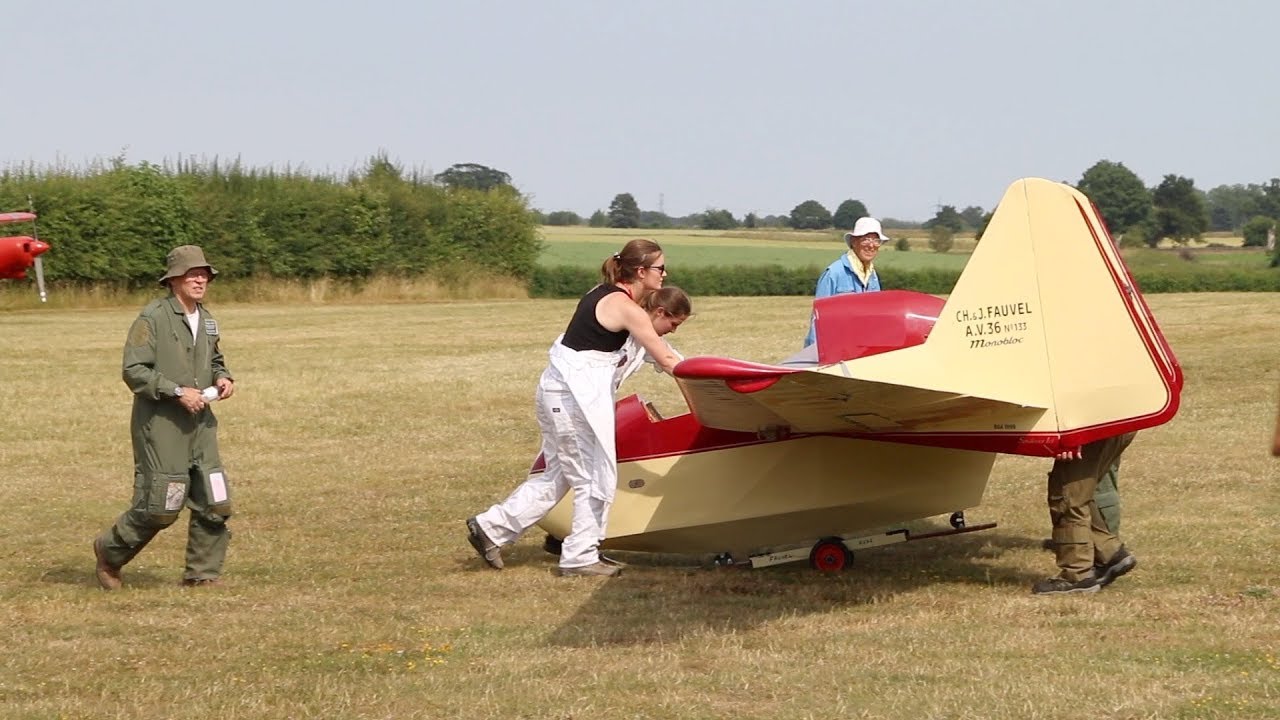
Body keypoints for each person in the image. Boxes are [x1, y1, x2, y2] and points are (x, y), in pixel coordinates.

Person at [466, 240, 685, 577]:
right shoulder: (623, 306)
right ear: (641, 272)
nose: (664, 274)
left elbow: (662, 352)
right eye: (660, 268)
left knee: (559, 474)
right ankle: (580, 557)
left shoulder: (605, 294)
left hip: (561, 394)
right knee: (593, 476)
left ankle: (490, 528)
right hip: (571, 400)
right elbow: (667, 359)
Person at [92, 245, 237, 590]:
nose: (200, 280)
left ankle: (202, 574)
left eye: (204, 274)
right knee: (161, 505)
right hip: (161, 425)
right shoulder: (152, 318)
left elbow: (215, 359)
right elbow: (134, 370)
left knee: (216, 501)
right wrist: (176, 391)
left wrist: (223, 377)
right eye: (192, 274)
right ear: (173, 280)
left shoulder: (208, 319)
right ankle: (109, 552)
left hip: (202, 424)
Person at [1032, 433, 1138, 595]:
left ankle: (1077, 576)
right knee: (1081, 493)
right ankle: (1109, 553)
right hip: (1114, 427)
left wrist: (1070, 439)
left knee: (1068, 495)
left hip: (1088, 430)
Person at [803, 216, 889, 347]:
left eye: (876, 240)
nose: (871, 245)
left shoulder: (873, 276)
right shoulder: (834, 273)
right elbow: (818, 320)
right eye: (866, 239)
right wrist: (816, 353)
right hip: (835, 348)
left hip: (861, 348)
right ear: (854, 242)